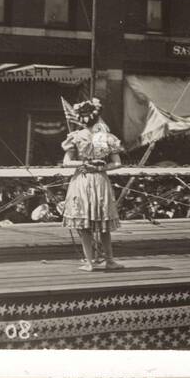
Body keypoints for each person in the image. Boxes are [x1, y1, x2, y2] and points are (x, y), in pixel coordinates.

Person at [60, 97, 124, 271]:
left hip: (82, 180)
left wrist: (84, 164)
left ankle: (89, 262)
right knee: (103, 223)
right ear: (98, 118)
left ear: (80, 119)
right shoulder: (106, 137)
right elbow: (117, 164)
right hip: (100, 181)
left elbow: (66, 162)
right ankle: (109, 260)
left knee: (85, 224)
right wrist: (101, 167)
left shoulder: (76, 137)